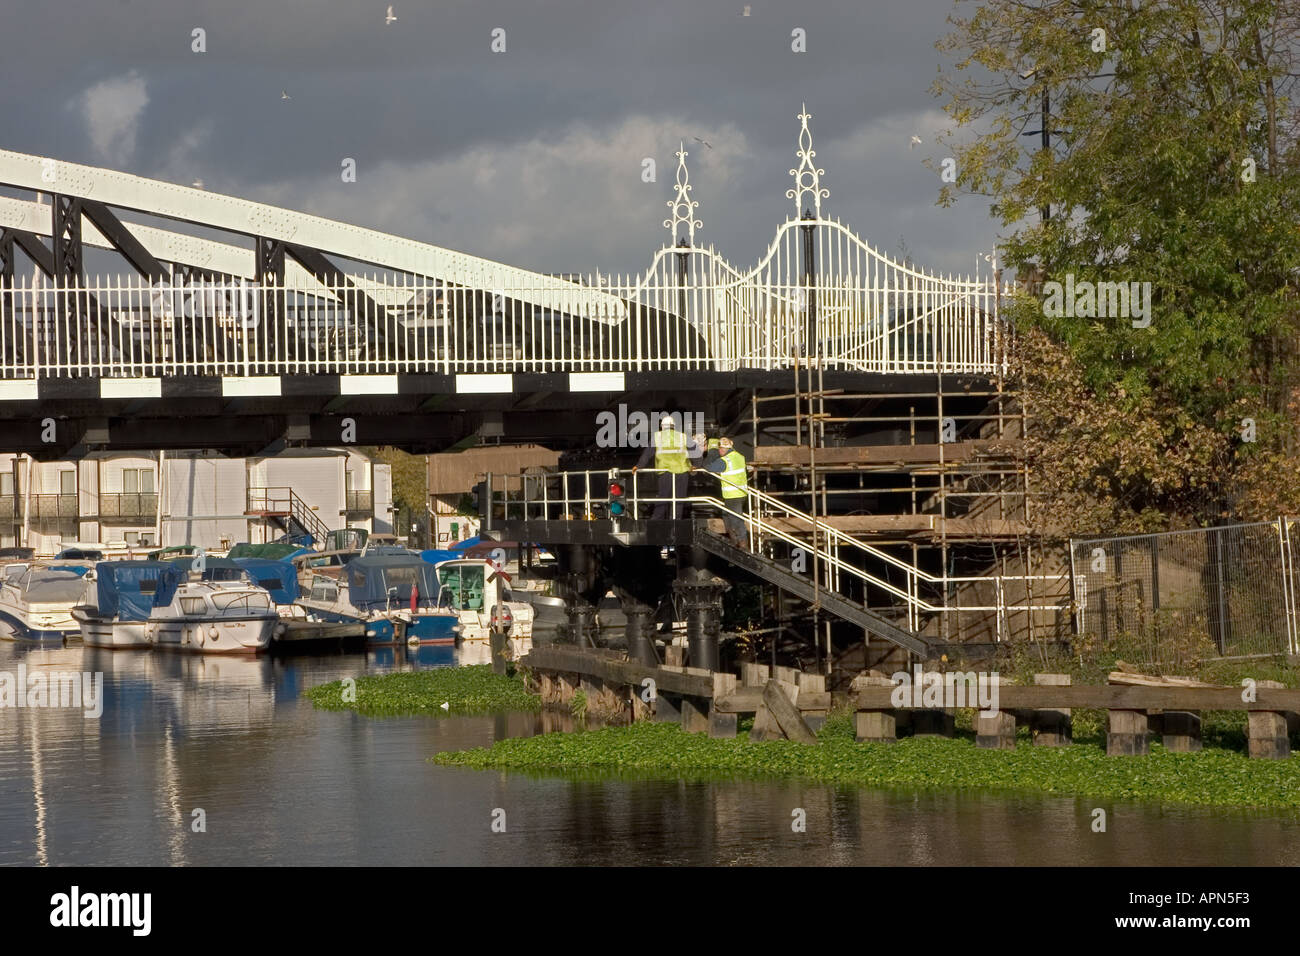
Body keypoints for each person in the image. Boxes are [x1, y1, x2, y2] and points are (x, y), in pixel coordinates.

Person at [632, 415, 694, 520]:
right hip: (682, 471)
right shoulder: (682, 436)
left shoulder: (657, 436)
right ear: (673, 426)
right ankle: (675, 522)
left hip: (665, 471)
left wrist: (638, 466)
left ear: (662, 426)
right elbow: (694, 451)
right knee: (679, 499)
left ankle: (656, 521)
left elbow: (647, 454)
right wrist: (695, 465)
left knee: (663, 497)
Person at [701, 436, 750, 546]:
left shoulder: (724, 460)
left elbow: (708, 467)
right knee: (727, 517)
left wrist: (701, 460)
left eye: (721, 449)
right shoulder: (740, 456)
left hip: (733, 495)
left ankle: (743, 546)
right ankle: (735, 542)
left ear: (725, 449)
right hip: (741, 494)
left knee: (736, 520)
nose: (719, 451)